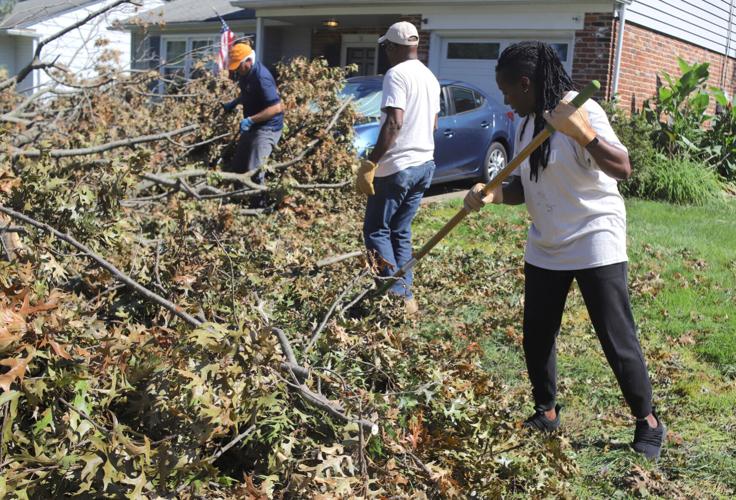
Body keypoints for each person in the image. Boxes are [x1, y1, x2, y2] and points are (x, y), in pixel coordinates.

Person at [463, 41, 666, 459]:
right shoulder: (525, 122)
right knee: (537, 334)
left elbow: (622, 168)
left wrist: (583, 133)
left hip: (595, 237)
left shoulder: (580, 110)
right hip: (547, 241)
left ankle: (648, 421)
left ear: (526, 83)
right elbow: (523, 186)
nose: (505, 99)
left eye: (507, 91)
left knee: (615, 335)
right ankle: (547, 412)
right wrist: (491, 195)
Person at [355, 21, 440, 315]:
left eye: (386, 48)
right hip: (424, 164)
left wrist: (372, 162)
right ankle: (406, 298)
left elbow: (394, 122)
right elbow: (433, 124)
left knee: (377, 230)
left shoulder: (396, 74)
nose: (386, 53)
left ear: (393, 47)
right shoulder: (429, 77)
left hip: (398, 166)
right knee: (400, 231)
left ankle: (392, 298)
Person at [221, 42, 284, 184]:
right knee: (238, 167)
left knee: (254, 170)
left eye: (238, 65)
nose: (236, 69)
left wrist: (250, 120)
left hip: (268, 128)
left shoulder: (262, 78)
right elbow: (249, 93)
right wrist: (234, 103)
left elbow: (276, 108)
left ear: (248, 61)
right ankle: (237, 202)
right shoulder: (244, 73)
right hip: (253, 126)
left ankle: (259, 205)